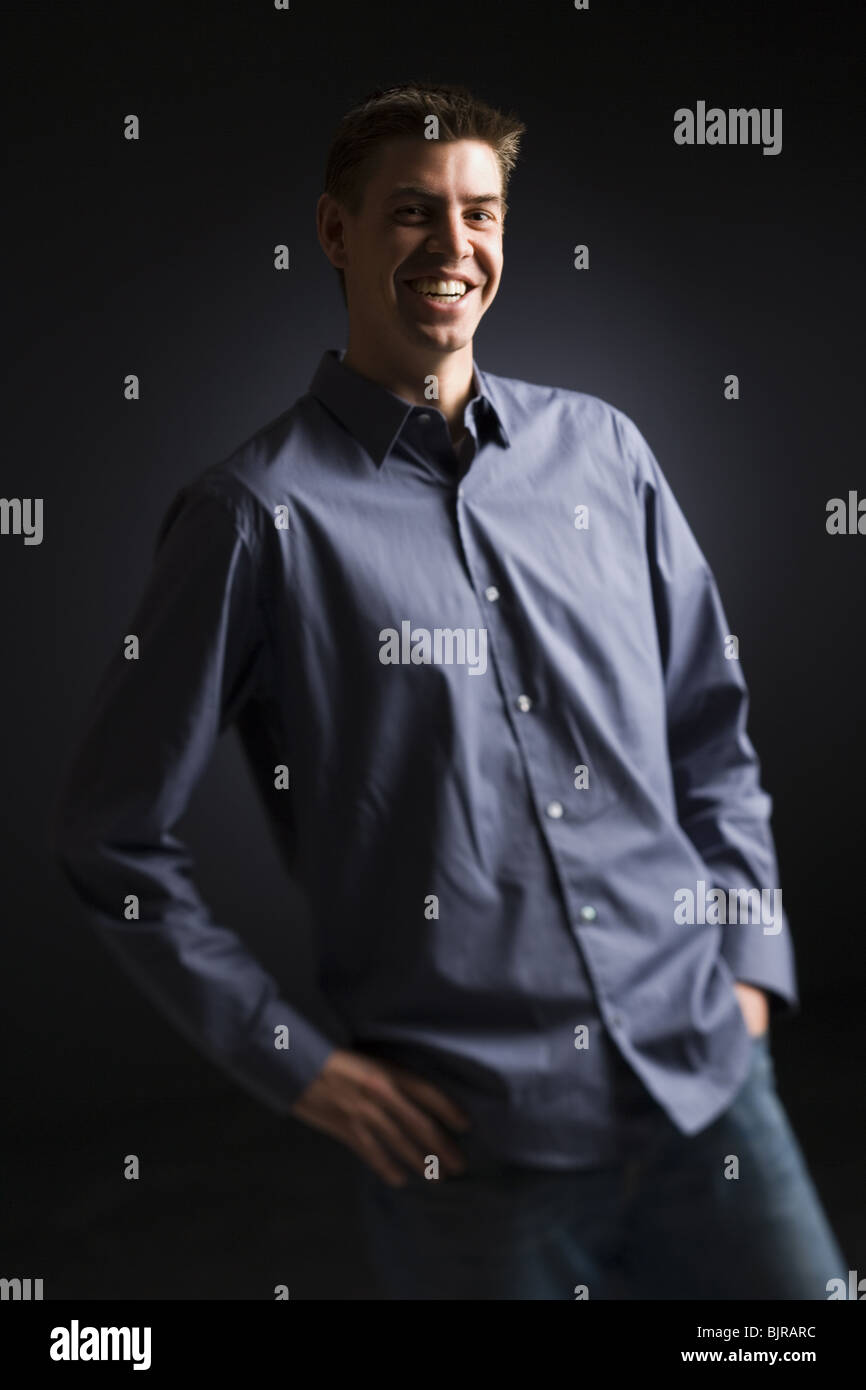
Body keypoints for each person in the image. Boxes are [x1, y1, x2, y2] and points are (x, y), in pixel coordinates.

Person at [52, 81, 847, 1299]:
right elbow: (111, 837)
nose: (452, 245)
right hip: (476, 1162)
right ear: (336, 233)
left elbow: (707, 728)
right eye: (413, 211)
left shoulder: (606, 453)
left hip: (710, 1086)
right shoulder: (253, 520)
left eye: (479, 212)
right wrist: (299, 1067)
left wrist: (747, 960)